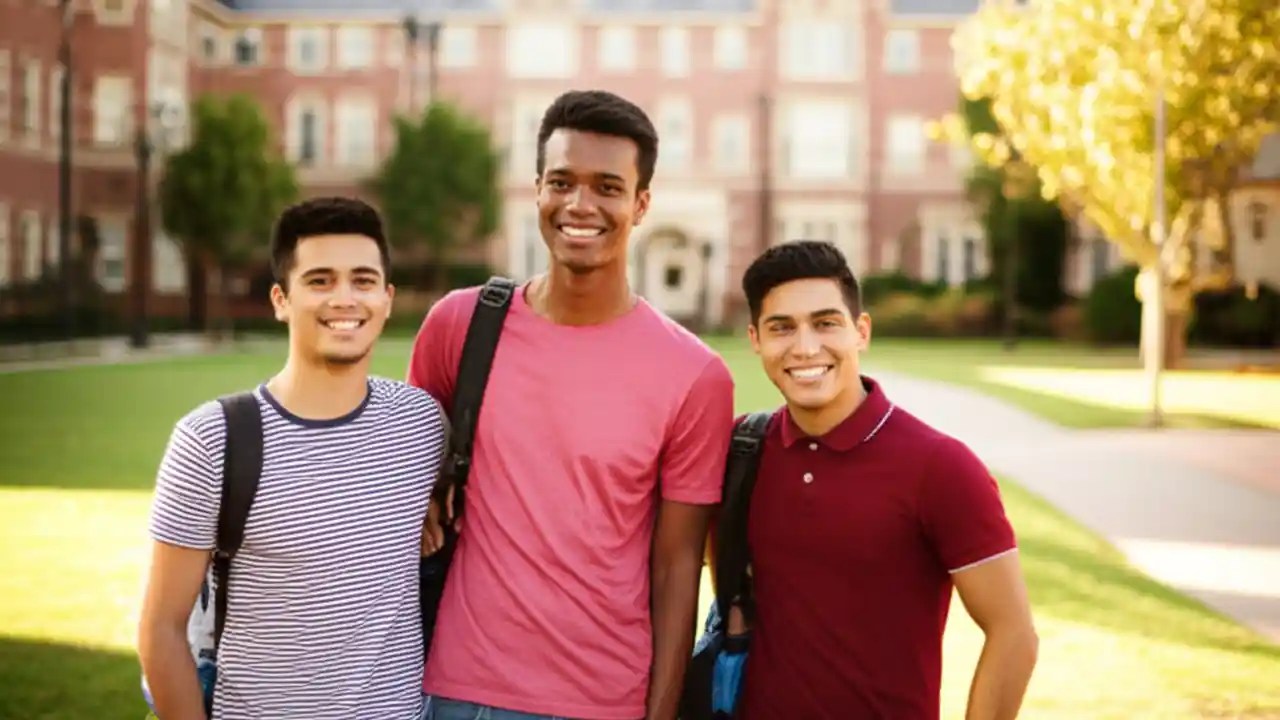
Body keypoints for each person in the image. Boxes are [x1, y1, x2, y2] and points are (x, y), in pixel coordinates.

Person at [408, 89, 735, 720]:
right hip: (455, 692)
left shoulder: (695, 376)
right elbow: (398, 490)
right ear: (537, 189)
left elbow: (676, 571)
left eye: (607, 187)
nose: (580, 205)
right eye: (562, 181)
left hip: (603, 701)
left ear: (641, 204)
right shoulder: (459, 327)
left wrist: (660, 712)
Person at [137, 196, 449, 720]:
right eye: (321, 280)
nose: (345, 298)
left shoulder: (420, 425)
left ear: (388, 299)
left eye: (364, 280)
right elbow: (161, 630)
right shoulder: (211, 439)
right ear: (281, 299)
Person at [733, 240, 1039, 719]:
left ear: (861, 331)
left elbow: (1013, 632)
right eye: (781, 328)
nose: (805, 346)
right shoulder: (741, 452)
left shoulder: (941, 467)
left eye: (826, 323)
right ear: (755, 340)